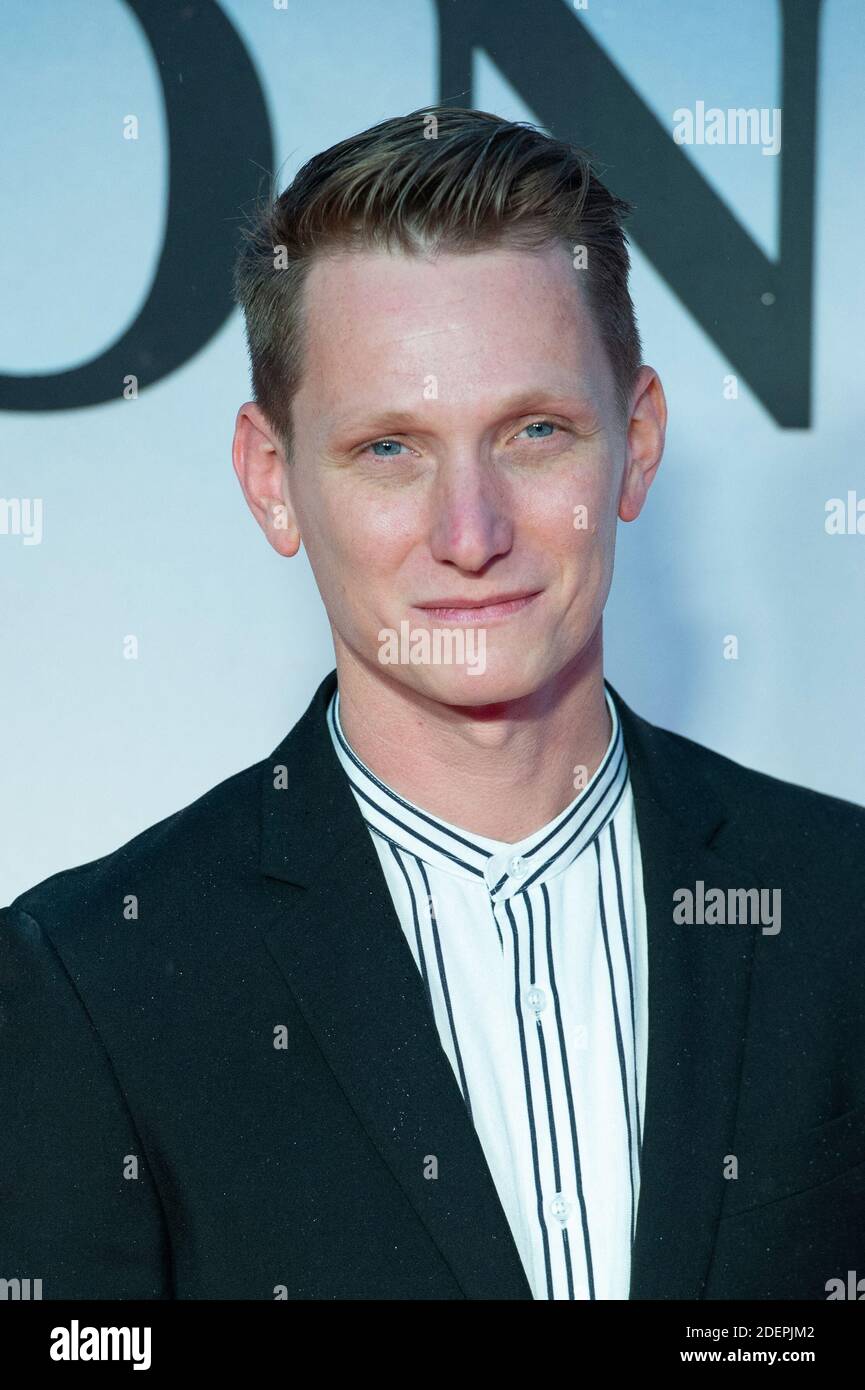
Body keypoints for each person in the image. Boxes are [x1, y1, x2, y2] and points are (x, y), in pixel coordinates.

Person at [2, 107, 863, 1302]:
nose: (473, 534)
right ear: (272, 480)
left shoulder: (840, 904)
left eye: (535, 430)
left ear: (638, 442)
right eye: (390, 449)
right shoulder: (94, 978)